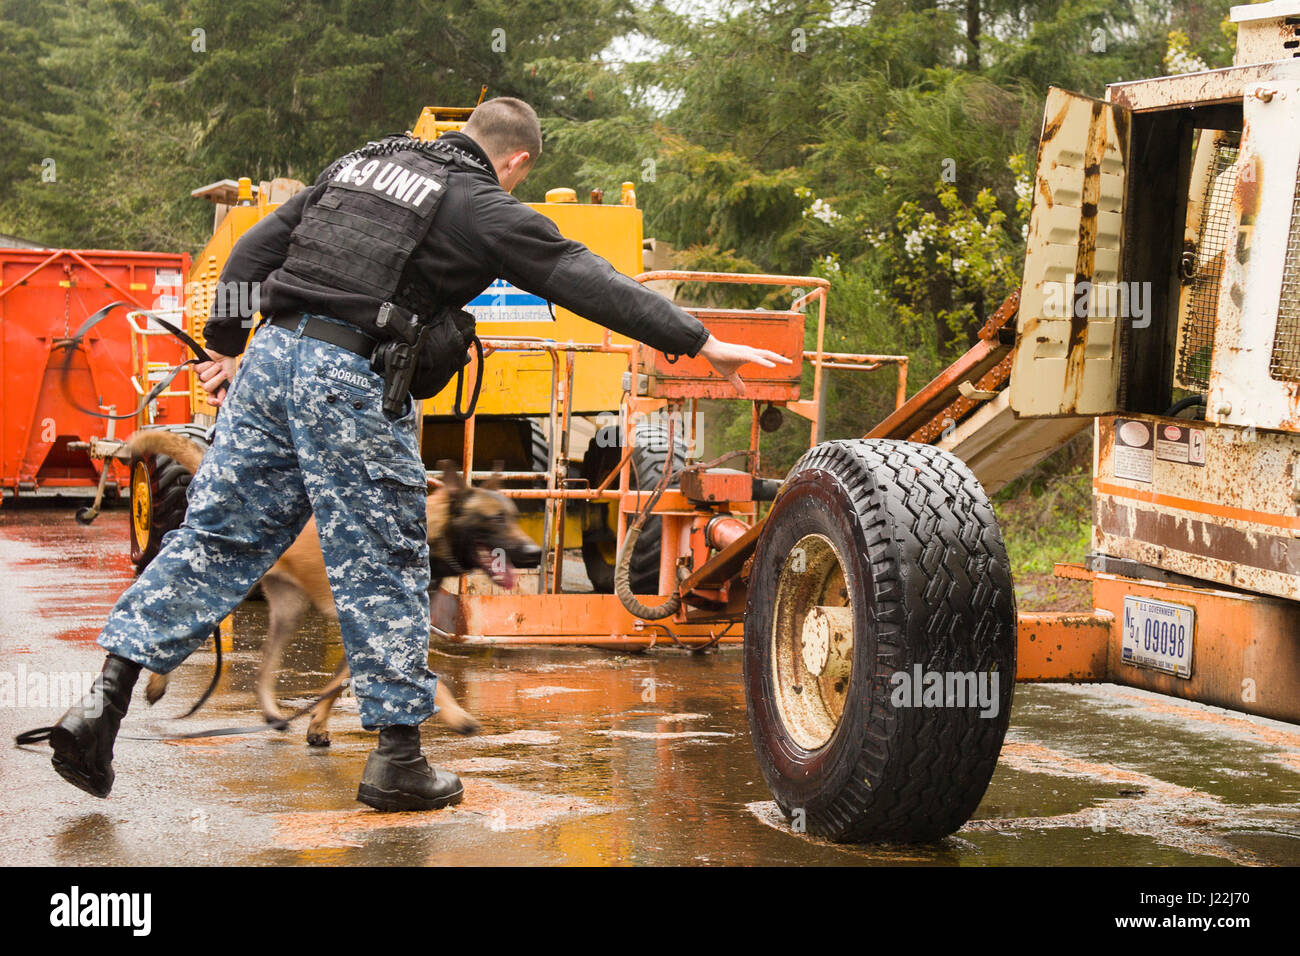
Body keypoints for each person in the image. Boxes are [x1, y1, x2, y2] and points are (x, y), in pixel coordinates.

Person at [47, 97, 789, 812]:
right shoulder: (480, 204)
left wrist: (227, 345)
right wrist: (699, 340)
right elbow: (579, 274)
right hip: (351, 375)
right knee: (386, 558)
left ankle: (100, 706)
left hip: (270, 365)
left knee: (215, 538)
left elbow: (250, 253)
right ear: (517, 162)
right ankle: (398, 761)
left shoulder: (357, 166)